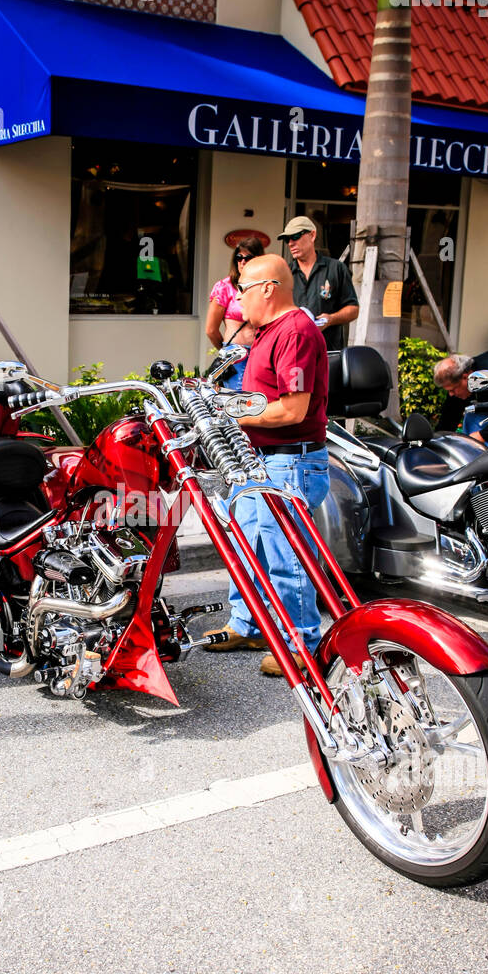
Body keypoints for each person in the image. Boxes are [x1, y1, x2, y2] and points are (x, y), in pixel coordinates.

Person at [204, 254, 330, 676]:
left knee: (286, 556)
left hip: (289, 461)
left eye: (243, 291)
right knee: (247, 545)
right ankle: (249, 625)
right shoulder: (266, 332)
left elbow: (293, 409)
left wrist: (230, 417)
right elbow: (261, 396)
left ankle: (302, 646)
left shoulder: (294, 331)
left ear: (268, 289)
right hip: (262, 459)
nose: (237, 301)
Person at [277, 215, 359, 351]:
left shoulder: (336, 268)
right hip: (293, 351)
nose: (291, 243)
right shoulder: (285, 273)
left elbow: (353, 309)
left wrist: (331, 319)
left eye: (295, 236)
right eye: (287, 239)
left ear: (312, 235)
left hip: (328, 352)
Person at [204, 236, 265, 389]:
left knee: (260, 400)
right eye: (239, 257)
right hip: (236, 354)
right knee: (238, 401)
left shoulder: (265, 286)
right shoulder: (224, 286)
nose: (243, 262)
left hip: (262, 354)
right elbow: (211, 330)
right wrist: (228, 351)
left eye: (248, 258)